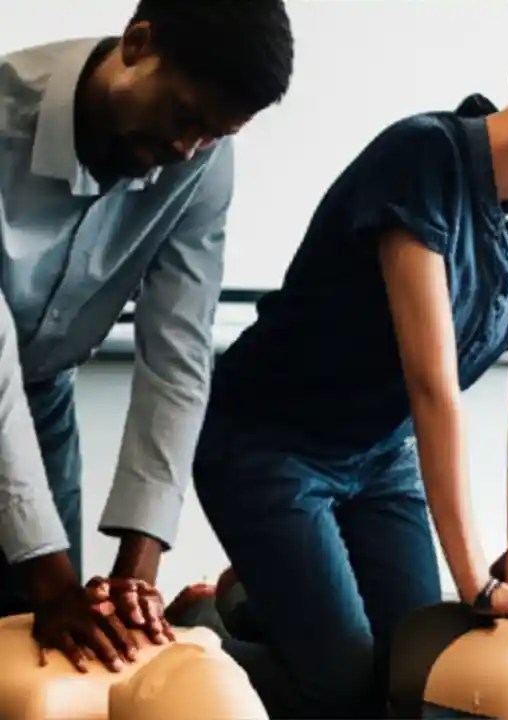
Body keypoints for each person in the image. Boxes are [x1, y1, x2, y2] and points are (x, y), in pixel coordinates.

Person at [187, 1, 508, 716]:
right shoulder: (423, 157)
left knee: (420, 664)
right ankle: (201, 628)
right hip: (269, 444)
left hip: (380, 454)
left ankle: (256, 601)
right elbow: (432, 384)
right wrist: (478, 582)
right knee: (346, 683)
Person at [0, 0, 293, 673]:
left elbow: (178, 355)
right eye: (184, 117)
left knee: (48, 660)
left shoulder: (203, 160)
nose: (188, 150)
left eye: (214, 134)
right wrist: (51, 580)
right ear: (138, 44)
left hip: (42, 403)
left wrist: (138, 570)